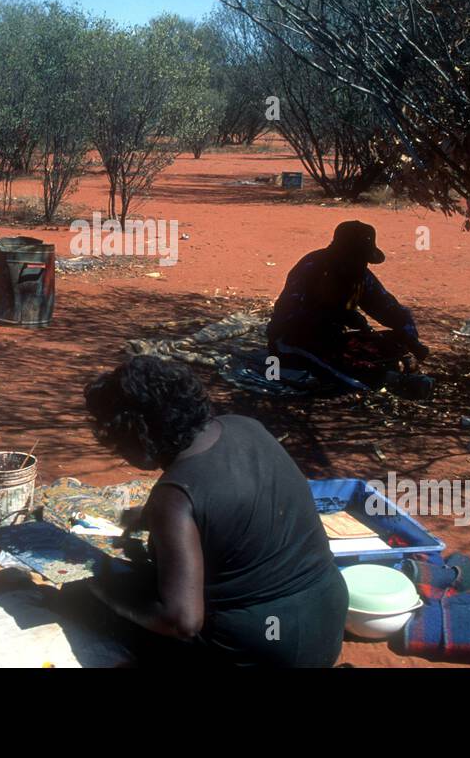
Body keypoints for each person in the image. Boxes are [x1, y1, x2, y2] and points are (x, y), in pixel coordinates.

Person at [81, 356, 347, 667]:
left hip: (263, 647)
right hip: (327, 618)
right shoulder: (247, 426)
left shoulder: (174, 497)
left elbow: (182, 621)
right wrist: (151, 517)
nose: (121, 455)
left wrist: (105, 594)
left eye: (117, 444)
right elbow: (227, 502)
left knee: (94, 608)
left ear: (138, 435)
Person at [268, 219, 433, 398]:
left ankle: (389, 374)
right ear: (340, 252)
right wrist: (337, 317)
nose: (361, 263)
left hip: (335, 338)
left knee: (393, 344)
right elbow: (287, 317)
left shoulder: (361, 276)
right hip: (294, 339)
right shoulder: (311, 269)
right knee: (334, 366)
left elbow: (391, 310)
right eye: (356, 256)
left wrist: (410, 337)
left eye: (363, 258)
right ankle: (384, 381)